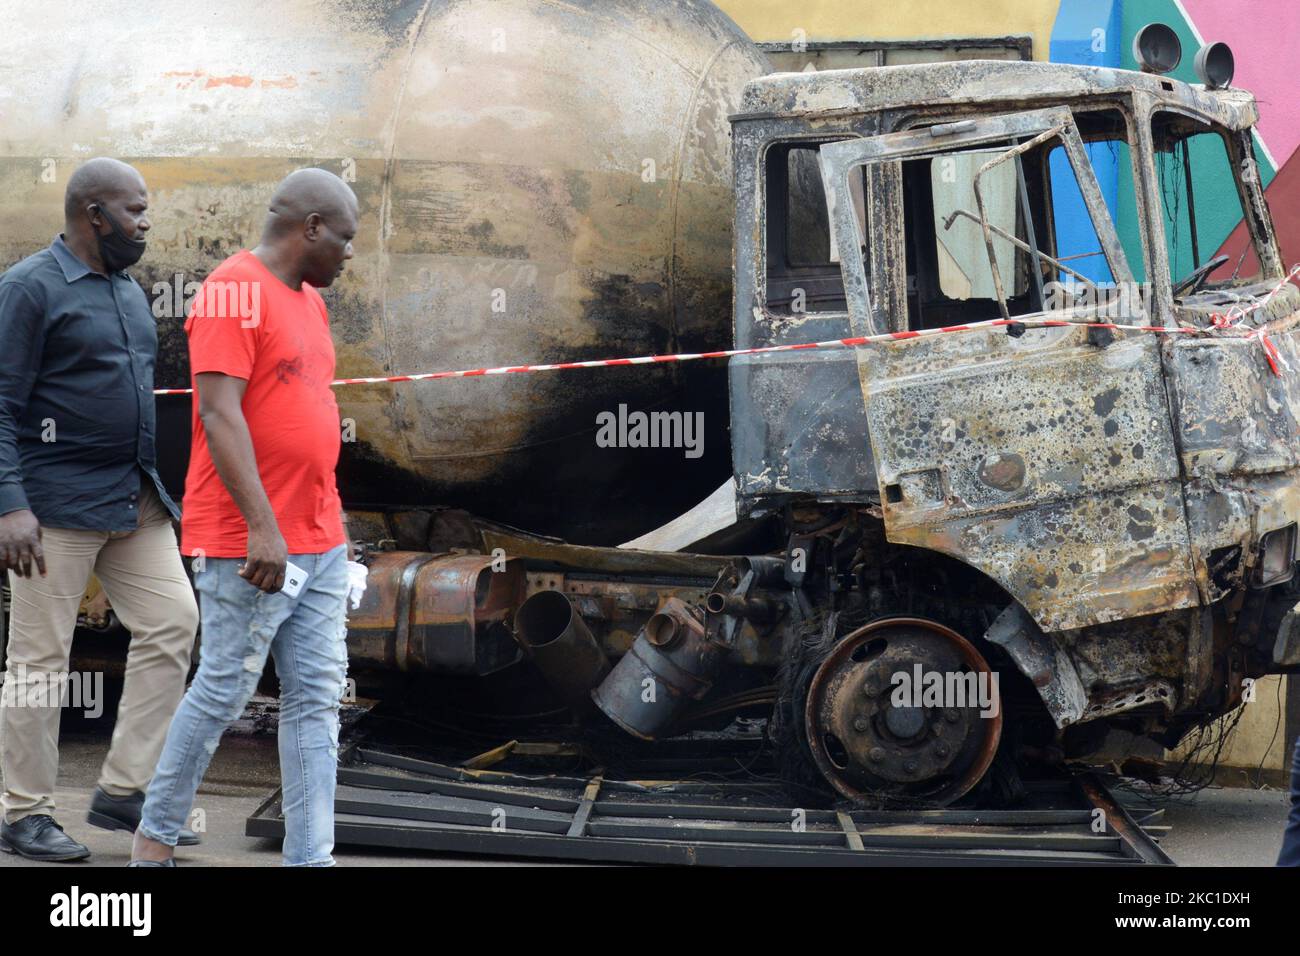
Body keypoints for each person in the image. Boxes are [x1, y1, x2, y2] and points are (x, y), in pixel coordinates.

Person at [131, 168, 357, 867]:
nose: (350, 253)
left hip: (319, 539)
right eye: (344, 238)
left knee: (316, 700)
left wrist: (335, 533)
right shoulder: (232, 290)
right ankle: (154, 841)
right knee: (225, 689)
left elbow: (307, 415)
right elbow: (218, 413)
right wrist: (264, 527)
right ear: (311, 226)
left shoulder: (309, 302)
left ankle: (310, 858)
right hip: (250, 540)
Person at [0, 158, 200, 861]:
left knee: (174, 620)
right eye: (134, 210)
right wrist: (8, 505)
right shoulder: (28, 289)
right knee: (39, 661)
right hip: (51, 507)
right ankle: (22, 813)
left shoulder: (126, 290)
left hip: (130, 496)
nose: (144, 223)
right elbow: (0, 403)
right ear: (93, 214)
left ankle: (126, 789)